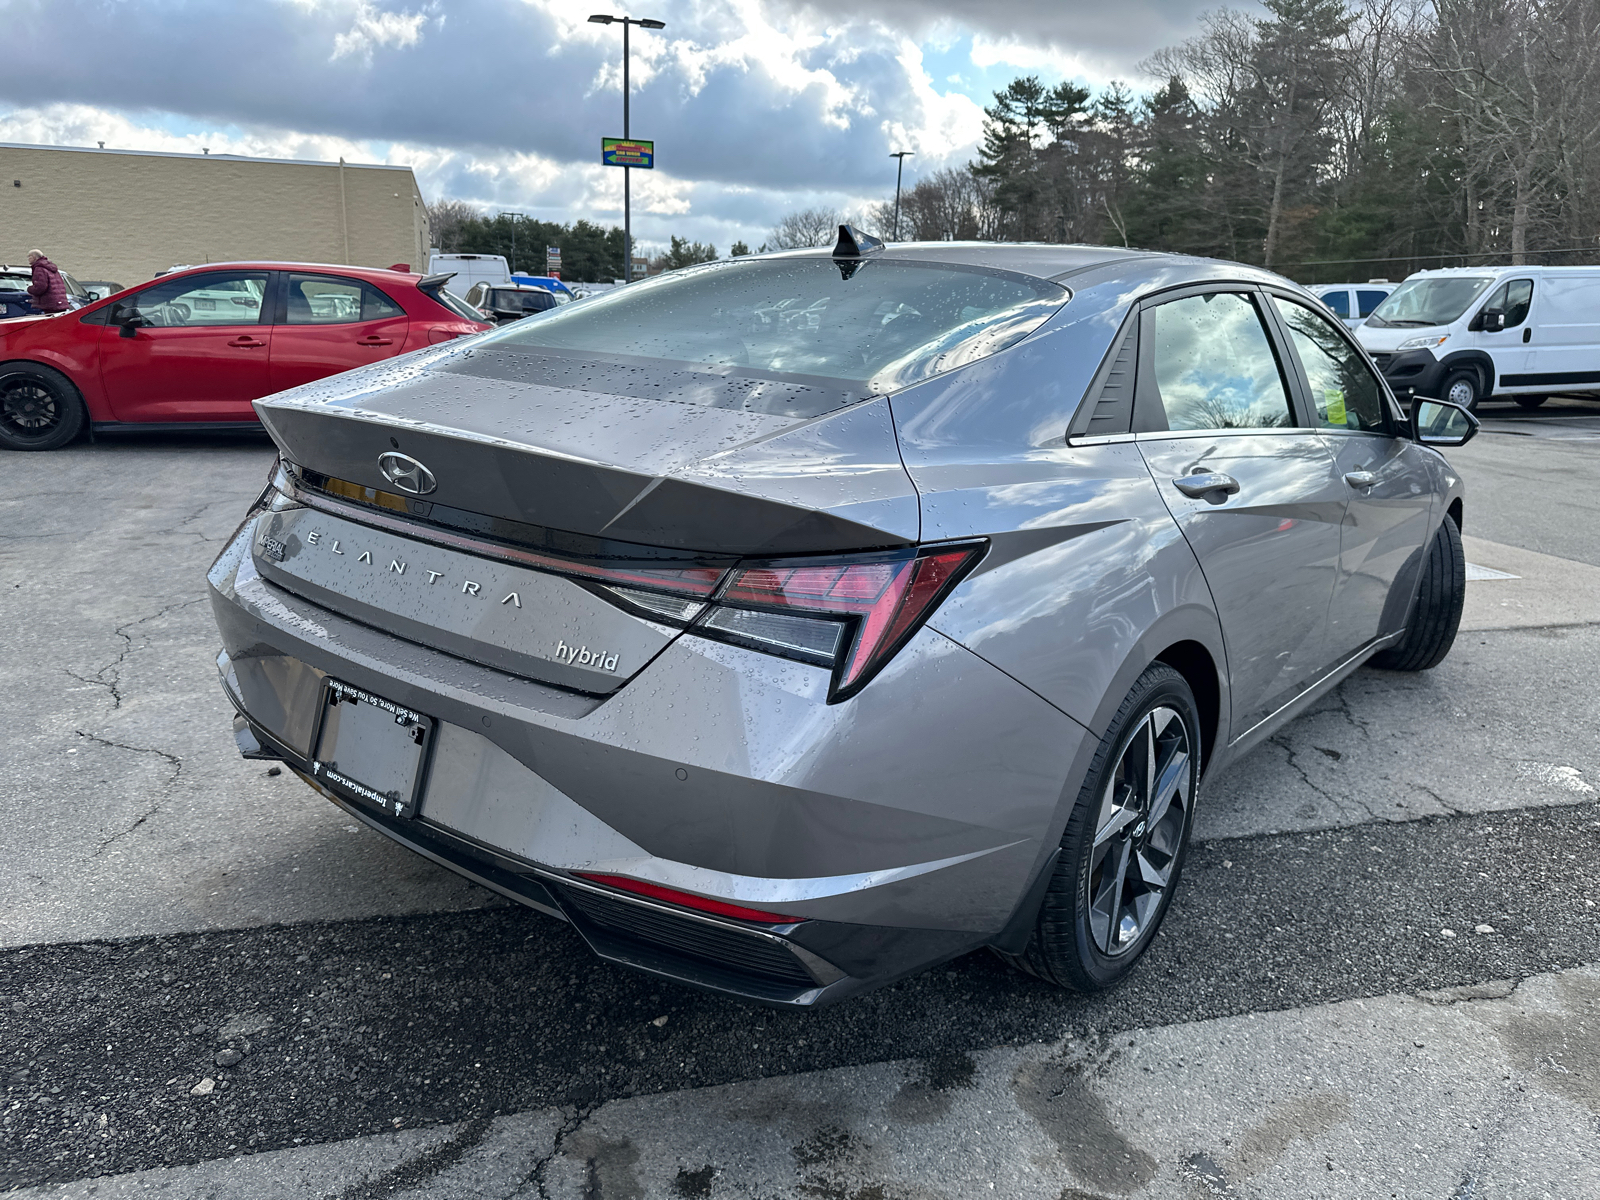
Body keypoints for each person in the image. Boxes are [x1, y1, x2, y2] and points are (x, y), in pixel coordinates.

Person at [25, 249, 68, 314]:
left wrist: (29, 289)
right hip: (58, 301)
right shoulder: (50, 267)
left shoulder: (39, 268)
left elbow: (40, 287)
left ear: (34, 257)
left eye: (29, 256)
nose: (28, 259)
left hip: (49, 303)